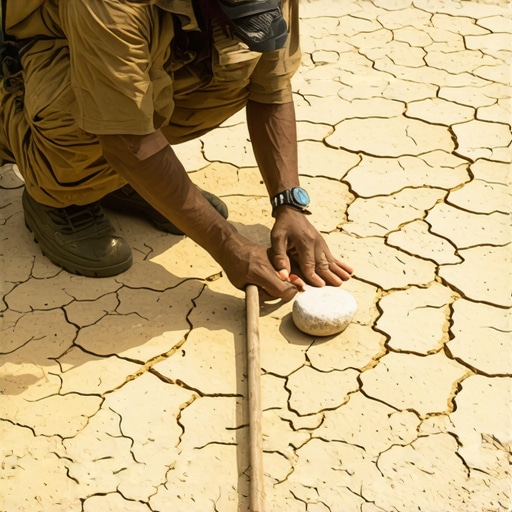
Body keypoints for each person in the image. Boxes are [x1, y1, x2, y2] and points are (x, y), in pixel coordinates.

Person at [0, 0, 353, 301]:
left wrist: (289, 203)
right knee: (80, 108)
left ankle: (121, 180)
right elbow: (126, 139)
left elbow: (270, 88)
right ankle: (59, 192)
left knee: (236, 68)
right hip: (43, 53)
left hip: (141, 45)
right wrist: (228, 245)